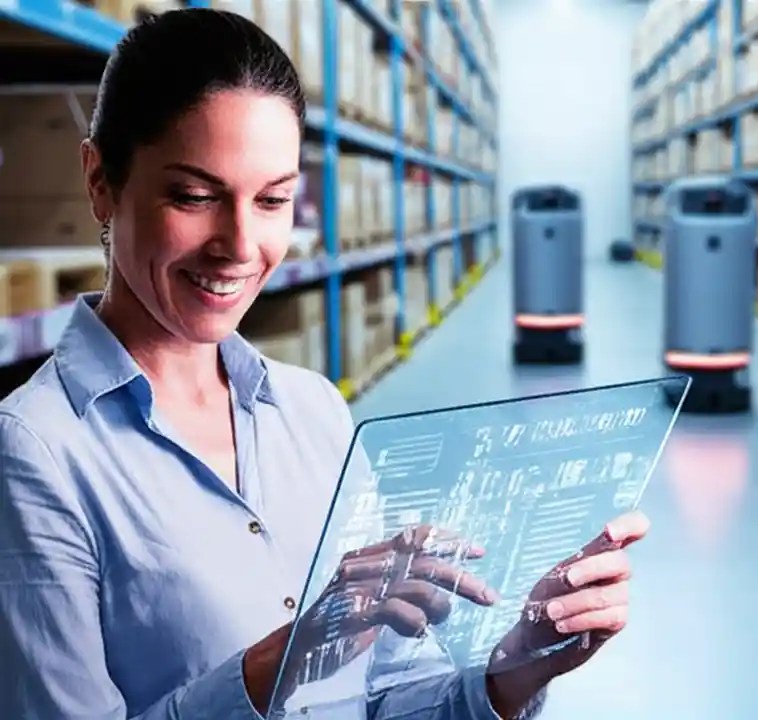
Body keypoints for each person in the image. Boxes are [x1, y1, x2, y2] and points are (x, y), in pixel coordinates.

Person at [0, 8, 644, 720]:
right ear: (100, 181)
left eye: (273, 199)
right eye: (194, 196)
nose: (241, 245)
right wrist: (282, 661)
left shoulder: (311, 413)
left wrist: (513, 669)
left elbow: (388, 694)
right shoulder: (34, 453)